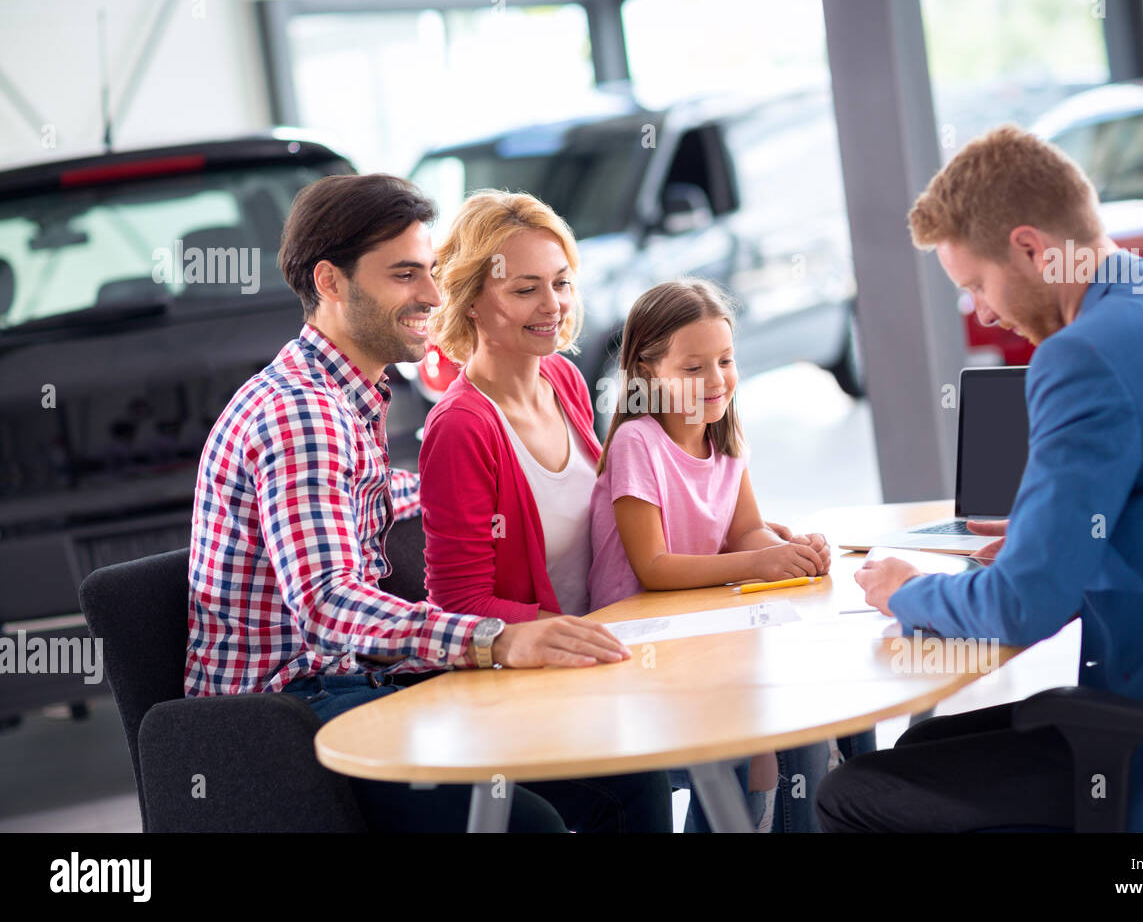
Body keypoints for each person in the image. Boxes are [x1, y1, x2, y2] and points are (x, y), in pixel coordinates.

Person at [817, 124, 1143, 833]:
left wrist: (911, 592)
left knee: (850, 795)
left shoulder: (1085, 356)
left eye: (977, 283)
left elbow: (1023, 606)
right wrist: (1058, 534)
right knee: (923, 744)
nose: (981, 310)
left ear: (1031, 248)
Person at [186, 174, 640, 833]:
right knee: (528, 822)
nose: (432, 294)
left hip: (355, 686)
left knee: (621, 776)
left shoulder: (346, 396)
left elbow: (366, 498)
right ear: (332, 283)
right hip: (282, 720)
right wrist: (496, 638)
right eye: (404, 275)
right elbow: (328, 603)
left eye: (429, 271)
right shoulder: (302, 414)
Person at [418, 190, 671, 831]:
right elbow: (457, 605)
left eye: (560, 283)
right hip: (527, 690)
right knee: (645, 780)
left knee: (770, 731)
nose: (553, 305)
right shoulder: (462, 427)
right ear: (471, 299)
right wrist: (554, 632)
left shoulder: (562, 379)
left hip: (604, 658)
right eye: (526, 289)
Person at [586, 278, 840, 832]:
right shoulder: (638, 444)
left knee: (816, 718)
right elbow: (654, 568)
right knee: (757, 737)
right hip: (643, 653)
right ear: (650, 372)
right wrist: (758, 564)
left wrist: (790, 553)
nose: (716, 379)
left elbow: (748, 531)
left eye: (725, 360)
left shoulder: (724, 438)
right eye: (693, 367)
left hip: (702, 638)